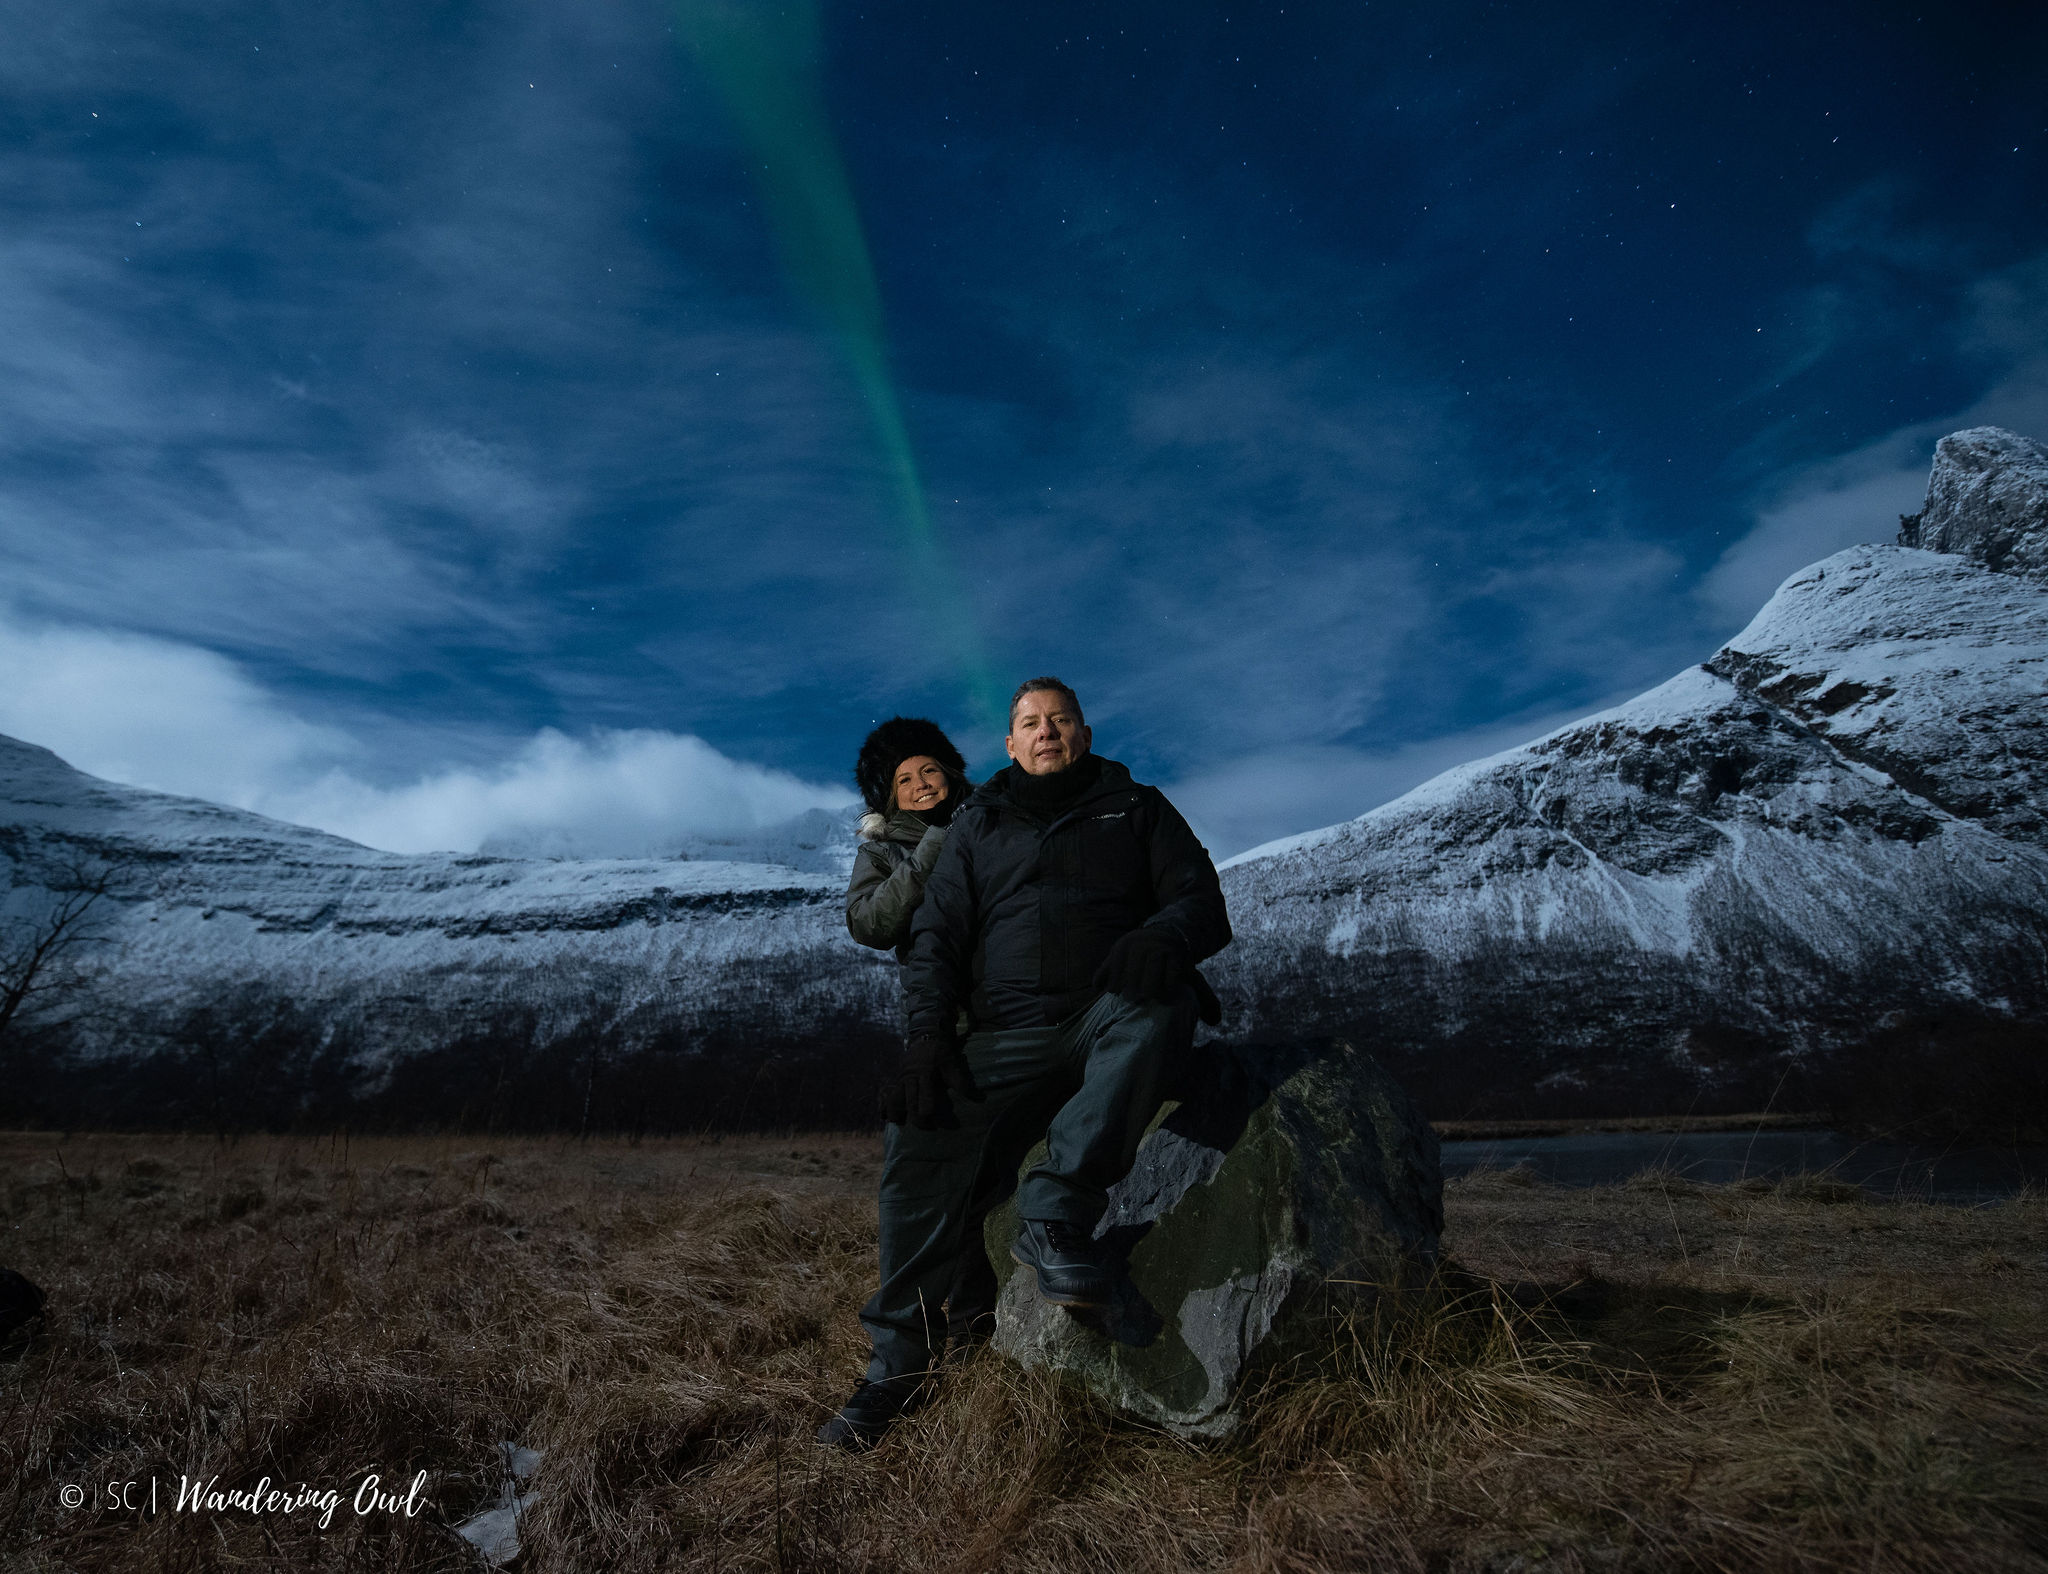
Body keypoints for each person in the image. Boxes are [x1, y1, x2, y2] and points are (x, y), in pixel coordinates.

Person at [818, 677, 1230, 1449]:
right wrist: (927, 1041)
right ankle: (896, 1368)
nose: (1047, 731)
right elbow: (934, 939)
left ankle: (1054, 1213)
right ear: (1010, 745)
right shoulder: (975, 825)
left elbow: (1200, 899)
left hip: (1107, 1012)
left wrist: (1164, 936)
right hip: (1001, 1034)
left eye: (1061, 719)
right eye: (1031, 723)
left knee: (1162, 1006)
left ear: (1084, 733)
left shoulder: (1136, 807)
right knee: (918, 1136)